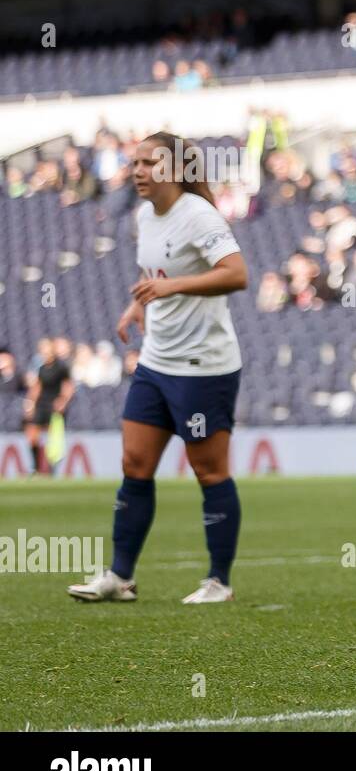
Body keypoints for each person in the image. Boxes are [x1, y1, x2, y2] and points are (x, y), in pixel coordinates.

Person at [67, 133, 249, 606]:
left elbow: (236, 273)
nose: (138, 171)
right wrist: (139, 306)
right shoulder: (145, 216)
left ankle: (219, 583)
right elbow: (157, 276)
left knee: (208, 472)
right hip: (156, 360)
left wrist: (173, 290)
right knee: (135, 464)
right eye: (135, 163)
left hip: (203, 366)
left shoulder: (199, 214)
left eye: (149, 163)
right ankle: (119, 577)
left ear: (175, 169)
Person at [23, 338, 75, 476]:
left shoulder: (61, 367)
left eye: (46, 349)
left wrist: (63, 401)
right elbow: (37, 387)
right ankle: (36, 467)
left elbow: (68, 386)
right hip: (41, 404)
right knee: (32, 435)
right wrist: (30, 403)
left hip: (55, 405)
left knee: (54, 439)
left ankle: (52, 469)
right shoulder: (41, 368)